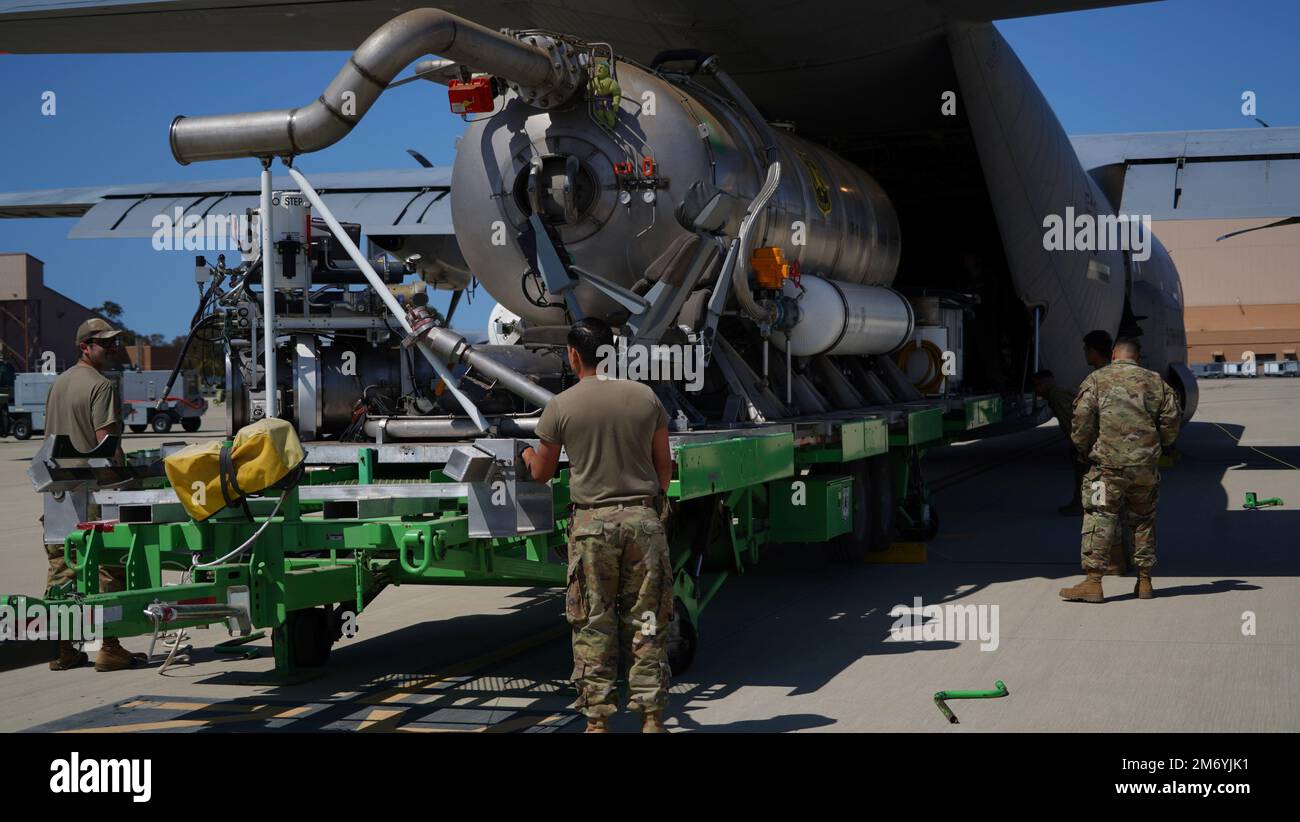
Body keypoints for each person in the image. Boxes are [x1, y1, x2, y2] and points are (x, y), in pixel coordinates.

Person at [521, 318, 675, 733]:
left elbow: (542, 473)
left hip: (592, 526)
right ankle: (652, 717)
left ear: (574, 355)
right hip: (643, 522)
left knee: (593, 622)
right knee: (647, 619)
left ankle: (597, 723)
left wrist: (526, 456)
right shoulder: (645, 397)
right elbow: (665, 466)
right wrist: (648, 502)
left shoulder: (561, 405)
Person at [43, 318, 148, 671]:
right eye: (105, 344)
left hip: (57, 491)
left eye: (116, 342)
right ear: (85, 347)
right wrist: (127, 480)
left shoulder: (59, 383)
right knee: (107, 569)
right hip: (93, 491)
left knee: (63, 570)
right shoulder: (101, 386)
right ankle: (109, 647)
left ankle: (63, 649)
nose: (113, 348)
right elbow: (107, 445)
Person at [1059, 337, 1180, 603]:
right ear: (1138, 357)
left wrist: (1082, 447)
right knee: (1143, 519)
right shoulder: (1156, 382)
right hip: (1144, 468)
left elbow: (1081, 420)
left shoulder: (1096, 380)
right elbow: (1171, 421)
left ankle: (1093, 583)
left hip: (1107, 469)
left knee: (1100, 517)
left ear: (1114, 354)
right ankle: (1145, 581)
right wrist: (1160, 445)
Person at [1031, 368, 1086, 515]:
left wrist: (1077, 446)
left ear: (1048, 382)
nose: (1037, 391)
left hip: (1087, 442)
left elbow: (1072, 420)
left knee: (1088, 474)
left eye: (1038, 385)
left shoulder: (1057, 395)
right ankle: (1087, 505)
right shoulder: (1059, 393)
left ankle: (1094, 508)